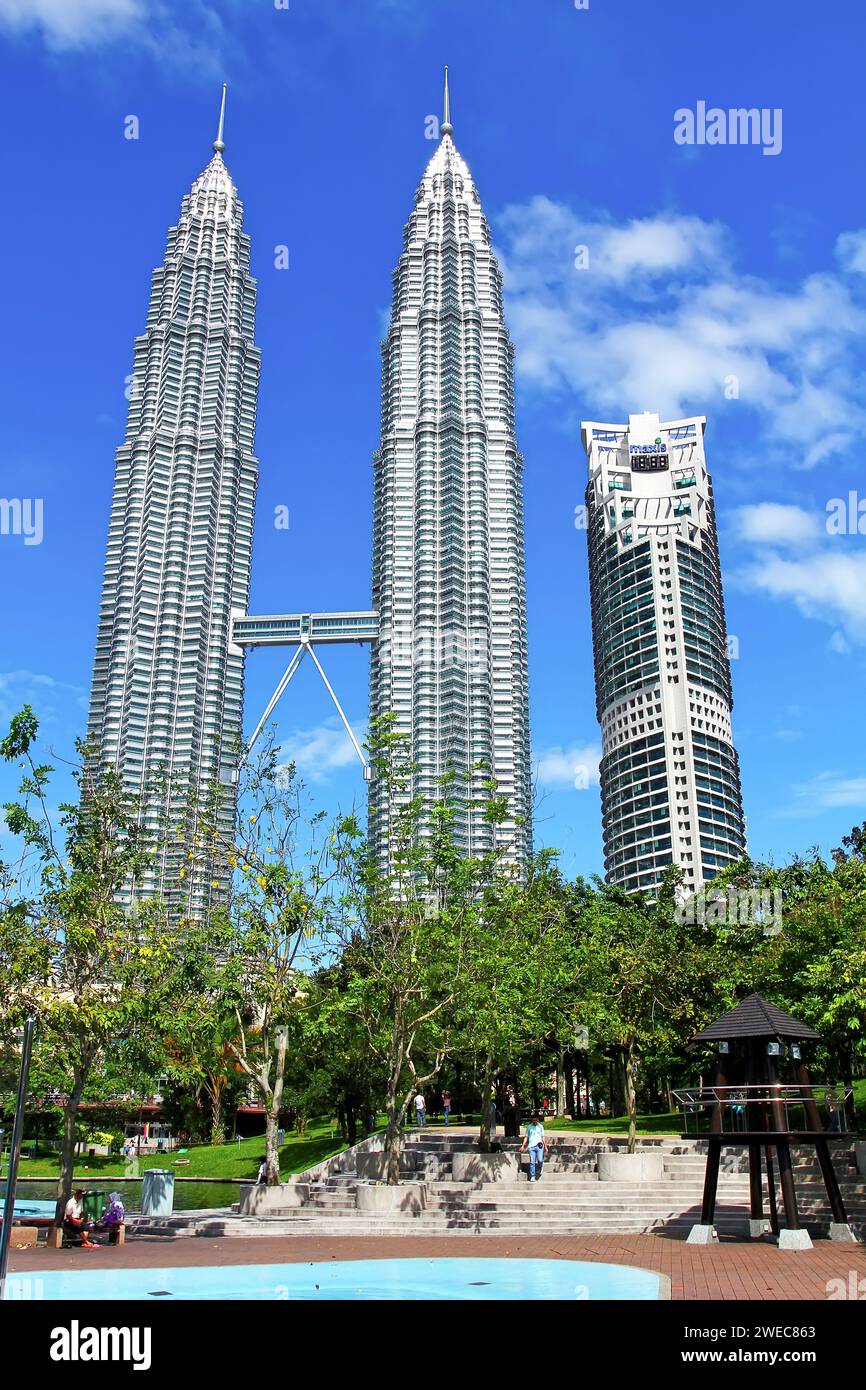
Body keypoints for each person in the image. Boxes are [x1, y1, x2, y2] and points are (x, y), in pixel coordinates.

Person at [520, 1111, 549, 1183]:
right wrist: (523, 1146)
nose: (535, 1121)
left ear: (538, 1120)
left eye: (536, 1120)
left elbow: (543, 1137)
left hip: (539, 1146)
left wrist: (545, 1146)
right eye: (533, 1120)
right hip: (531, 1146)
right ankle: (532, 1176)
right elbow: (526, 1137)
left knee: (540, 1160)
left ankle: (540, 1168)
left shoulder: (540, 1126)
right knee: (532, 1161)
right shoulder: (529, 1127)